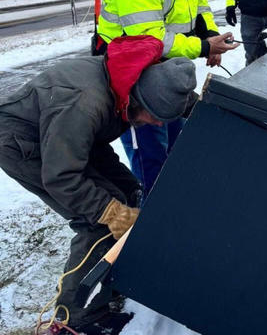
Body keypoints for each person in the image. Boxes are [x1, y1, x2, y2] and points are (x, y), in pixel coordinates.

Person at [0, 43, 198, 333]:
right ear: (137, 100)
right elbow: (61, 177)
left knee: (130, 191)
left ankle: (114, 276)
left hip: (72, 136)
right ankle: (76, 318)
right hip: (24, 144)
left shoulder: (141, 76)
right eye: (154, 116)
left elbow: (178, 96)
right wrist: (111, 213)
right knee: (97, 221)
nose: (156, 123)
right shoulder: (85, 104)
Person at [96, 0, 238, 195]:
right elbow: (149, 39)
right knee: (152, 160)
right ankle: (152, 219)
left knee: (178, 146)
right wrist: (203, 47)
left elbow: (200, 6)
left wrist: (209, 33)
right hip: (135, 77)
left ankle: (178, 203)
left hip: (167, 72)